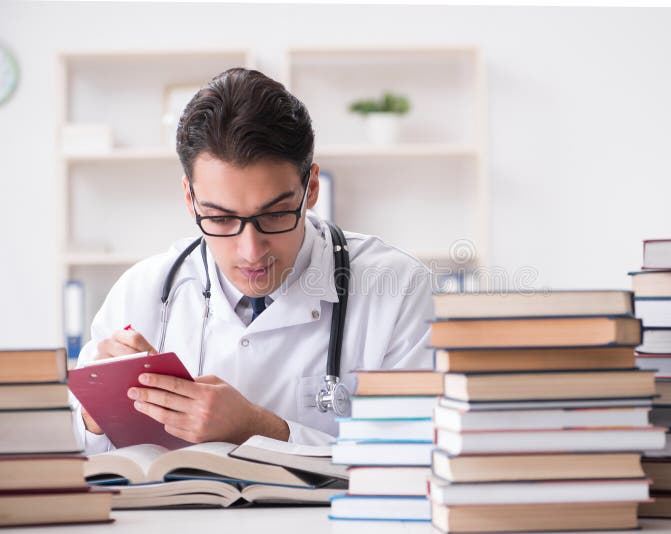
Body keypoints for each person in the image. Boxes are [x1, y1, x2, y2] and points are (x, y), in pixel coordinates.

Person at [71, 68, 434, 453]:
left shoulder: (399, 289)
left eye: (274, 215)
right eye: (221, 218)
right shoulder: (140, 293)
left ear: (311, 188)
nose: (251, 251)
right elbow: (80, 459)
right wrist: (95, 419)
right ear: (190, 198)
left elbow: (413, 457)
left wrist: (259, 430)